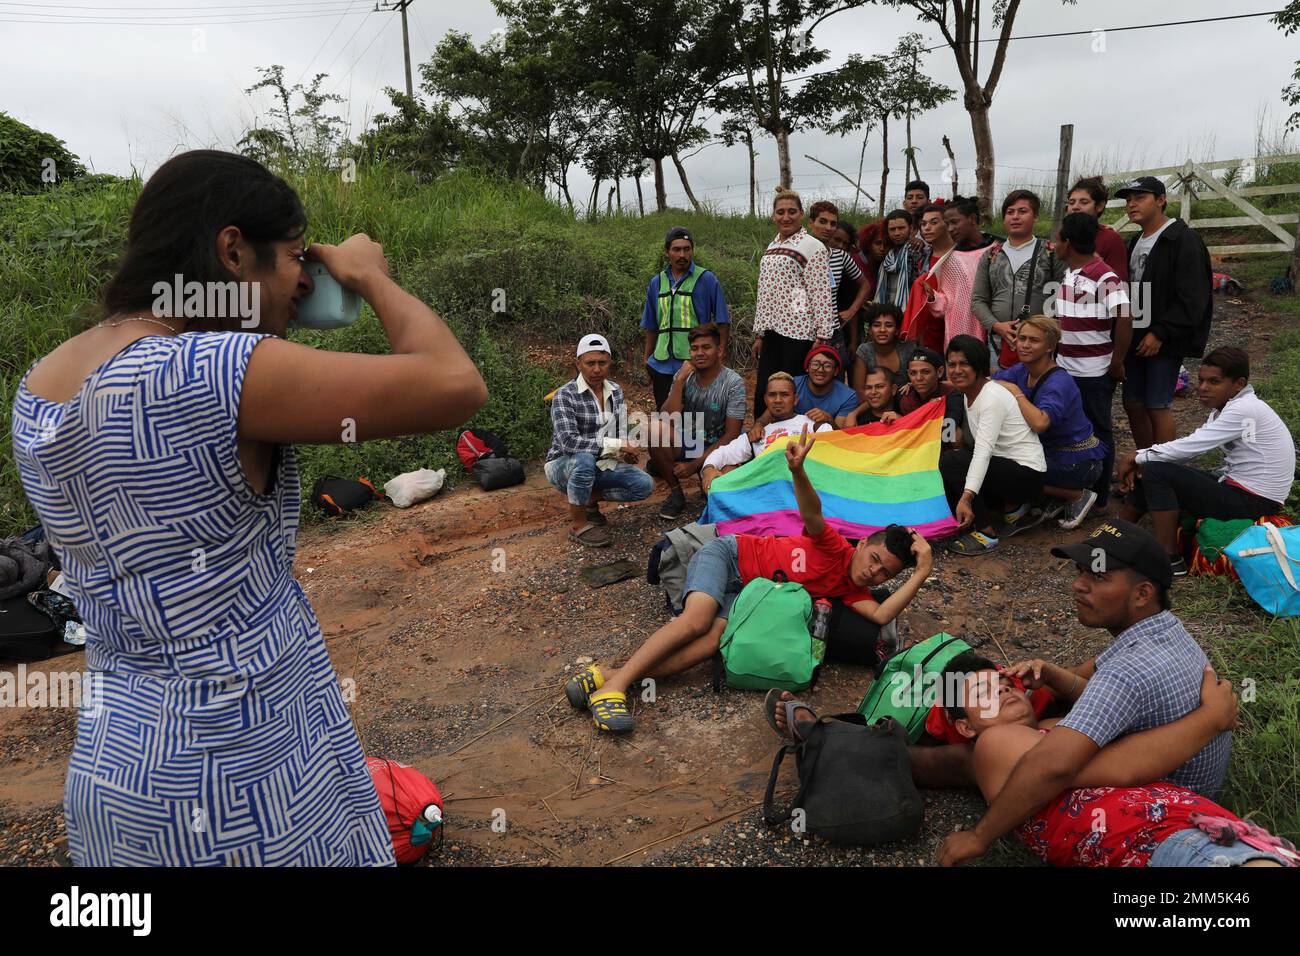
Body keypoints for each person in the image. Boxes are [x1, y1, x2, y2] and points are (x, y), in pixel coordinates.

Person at [10, 150, 491, 866]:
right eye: (296, 258)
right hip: (251, 763)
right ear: (233, 250)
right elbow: (455, 383)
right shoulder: (213, 370)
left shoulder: (39, 384)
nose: (303, 283)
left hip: (122, 769)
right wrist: (367, 277)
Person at [563, 425, 934, 734]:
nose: (874, 572)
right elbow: (812, 509)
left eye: (885, 572)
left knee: (711, 644)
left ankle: (606, 677)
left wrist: (921, 571)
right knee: (697, 620)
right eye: (874, 560)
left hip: (744, 594)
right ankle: (617, 687)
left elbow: (883, 616)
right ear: (864, 542)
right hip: (728, 556)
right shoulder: (833, 544)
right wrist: (798, 471)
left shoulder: (852, 589)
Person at [937, 519, 1235, 866]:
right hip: (1190, 799)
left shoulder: (1127, 671)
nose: (1078, 586)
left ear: (1142, 594)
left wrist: (978, 836)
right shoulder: (1164, 634)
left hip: (1161, 809)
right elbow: (1105, 698)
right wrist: (1055, 676)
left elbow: (1054, 767)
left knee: (1011, 755)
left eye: (1097, 576)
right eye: (1079, 572)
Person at [933, 655, 1290, 867]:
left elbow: (1121, 707)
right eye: (983, 691)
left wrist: (1055, 676)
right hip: (1155, 841)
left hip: (1198, 827)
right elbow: (1118, 762)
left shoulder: (1053, 728)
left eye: (1004, 683)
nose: (1002, 689)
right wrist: (1210, 719)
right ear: (964, 727)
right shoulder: (994, 742)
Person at [1118, 347, 1296, 575]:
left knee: (1156, 470)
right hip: (1241, 490)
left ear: (1238, 384)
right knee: (1154, 469)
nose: (1203, 388)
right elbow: (1188, 451)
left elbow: (1192, 446)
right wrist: (1144, 460)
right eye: (1201, 380)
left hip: (1255, 501)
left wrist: (1137, 455)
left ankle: (1169, 560)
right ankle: (1116, 533)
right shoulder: (1229, 408)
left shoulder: (1244, 409)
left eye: (1214, 382)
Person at [1117, 176, 1213, 450]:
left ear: (1161, 200)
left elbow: (1194, 298)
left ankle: (1163, 473)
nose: (1132, 204)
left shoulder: (1183, 239)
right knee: (1132, 403)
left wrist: (1160, 332)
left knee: (1157, 404)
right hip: (1135, 335)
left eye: (1140, 197)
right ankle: (1143, 467)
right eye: (1128, 200)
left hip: (1165, 339)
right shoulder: (1136, 240)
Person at [993, 316, 1106, 529]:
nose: (1024, 345)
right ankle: (1047, 497)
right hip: (1050, 453)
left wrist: (1016, 392)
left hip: (1077, 463)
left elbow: (1040, 423)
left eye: (1033, 340)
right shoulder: (1022, 369)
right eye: (1021, 338)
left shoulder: (1058, 382)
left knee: (1001, 470)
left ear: (1050, 347)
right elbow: (992, 382)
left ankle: (1075, 495)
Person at [1054, 212, 1132, 514]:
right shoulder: (1071, 273)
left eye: (1057, 240)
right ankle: (1075, 489)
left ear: (1068, 243)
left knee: (1099, 431)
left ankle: (1099, 497)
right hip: (1066, 367)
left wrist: (1117, 362)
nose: (1054, 246)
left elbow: (1125, 317)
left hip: (1094, 371)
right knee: (1071, 429)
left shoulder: (1104, 275)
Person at [939, 336, 1046, 555]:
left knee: (953, 461)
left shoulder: (991, 397)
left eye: (964, 364)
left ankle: (986, 533)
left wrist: (967, 498)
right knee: (951, 467)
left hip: (1026, 475)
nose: (957, 370)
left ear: (978, 367)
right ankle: (1005, 509)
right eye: (952, 365)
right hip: (1005, 469)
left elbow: (982, 453)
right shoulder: (968, 393)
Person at [546, 334, 654, 547]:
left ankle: (589, 500)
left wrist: (624, 451)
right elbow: (568, 442)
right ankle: (579, 525)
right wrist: (616, 445)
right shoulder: (565, 395)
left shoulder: (615, 391)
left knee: (644, 485)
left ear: (610, 363)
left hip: (600, 462)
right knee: (584, 459)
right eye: (590, 363)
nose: (596, 369)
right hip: (563, 464)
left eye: (602, 363)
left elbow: (621, 430)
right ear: (578, 363)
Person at [647, 324, 747, 520]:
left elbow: (732, 434)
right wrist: (680, 380)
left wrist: (694, 465)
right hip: (691, 440)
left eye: (706, 347)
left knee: (724, 492)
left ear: (719, 351)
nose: (699, 353)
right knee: (654, 429)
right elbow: (667, 416)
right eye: (694, 348)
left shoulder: (734, 383)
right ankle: (676, 494)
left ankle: (707, 481)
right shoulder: (684, 375)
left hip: (722, 447)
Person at [752, 188, 837, 418]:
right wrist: (760, 333)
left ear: (801, 214)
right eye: (780, 212)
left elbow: (820, 293)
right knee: (766, 389)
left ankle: (790, 445)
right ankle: (762, 443)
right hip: (772, 331)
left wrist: (822, 336)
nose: (785, 217)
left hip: (799, 335)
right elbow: (766, 291)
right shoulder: (772, 246)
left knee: (790, 392)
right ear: (773, 216)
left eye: (791, 211)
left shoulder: (812, 246)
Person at [972, 189, 1066, 370]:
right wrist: (996, 326)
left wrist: (1047, 329)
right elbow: (978, 300)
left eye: (1022, 211)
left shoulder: (1051, 252)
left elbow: (1063, 297)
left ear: (1036, 216)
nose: (1015, 217)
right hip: (999, 340)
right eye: (1010, 212)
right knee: (1002, 392)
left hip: (1040, 340)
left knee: (1037, 390)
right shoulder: (991, 255)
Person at [640, 227, 731, 409]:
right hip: (662, 364)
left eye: (686, 249)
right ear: (668, 253)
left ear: (692, 250)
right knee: (666, 418)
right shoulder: (657, 282)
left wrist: (720, 352)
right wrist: (647, 358)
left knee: (693, 422)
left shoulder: (706, 279)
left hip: (695, 362)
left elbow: (722, 321)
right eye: (676, 249)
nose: (682, 254)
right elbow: (652, 325)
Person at [700, 372, 832, 492]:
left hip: (805, 488)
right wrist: (708, 469)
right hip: (768, 490)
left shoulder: (812, 425)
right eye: (772, 395)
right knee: (720, 479)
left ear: (796, 399)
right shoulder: (757, 433)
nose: (778, 400)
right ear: (765, 400)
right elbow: (723, 453)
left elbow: (834, 449)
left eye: (784, 395)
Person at [902, 205, 984, 357]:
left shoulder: (964, 257)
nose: (927, 228)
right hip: (928, 334)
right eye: (923, 224)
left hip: (958, 329)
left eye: (934, 222)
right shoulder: (921, 257)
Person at [809, 200, 870, 372]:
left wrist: (852, 311)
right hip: (805, 332)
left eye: (833, 223)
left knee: (834, 378)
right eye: (823, 221)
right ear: (811, 222)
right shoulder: (799, 253)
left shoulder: (840, 256)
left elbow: (865, 285)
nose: (828, 227)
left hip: (833, 332)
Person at [1066, 176, 1129, 281]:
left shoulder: (1110, 239)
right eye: (1071, 202)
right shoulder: (1063, 238)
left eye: (1084, 202)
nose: (1075, 207)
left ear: (1099, 206)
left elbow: (1118, 284)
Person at [852, 303, 916, 392]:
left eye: (889, 325)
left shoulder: (909, 349)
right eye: (876, 325)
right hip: (873, 403)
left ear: (897, 330)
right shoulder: (865, 351)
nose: (882, 330)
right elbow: (860, 392)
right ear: (870, 330)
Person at [874, 209, 921, 310]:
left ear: (911, 228)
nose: (896, 233)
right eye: (892, 229)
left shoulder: (917, 251)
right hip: (889, 310)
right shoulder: (887, 254)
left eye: (901, 228)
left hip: (910, 309)